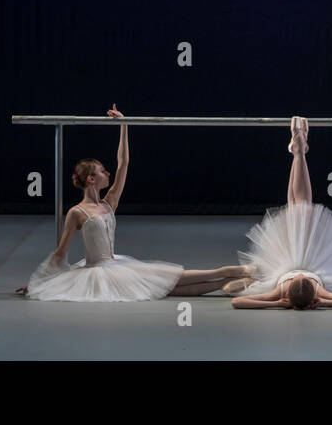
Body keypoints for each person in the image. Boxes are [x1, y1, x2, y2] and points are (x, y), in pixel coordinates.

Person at [20, 106, 251, 301]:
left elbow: (123, 164)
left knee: (167, 279)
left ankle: (227, 272)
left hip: (118, 265)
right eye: (102, 171)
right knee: (169, 289)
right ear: (91, 179)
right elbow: (61, 253)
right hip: (99, 272)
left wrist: (124, 125)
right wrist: (42, 284)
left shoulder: (109, 202)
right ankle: (225, 282)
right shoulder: (76, 213)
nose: (107, 173)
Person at [229, 117, 332, 310]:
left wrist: (281, 301)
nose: (300, 275)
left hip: (303, 260)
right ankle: (299, 153)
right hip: (300, 260)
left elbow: (237, 302)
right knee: (297, 205)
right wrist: (323, 301)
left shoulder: (293, 291)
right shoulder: (298, 290)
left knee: (298, 205)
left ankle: (299, 153)